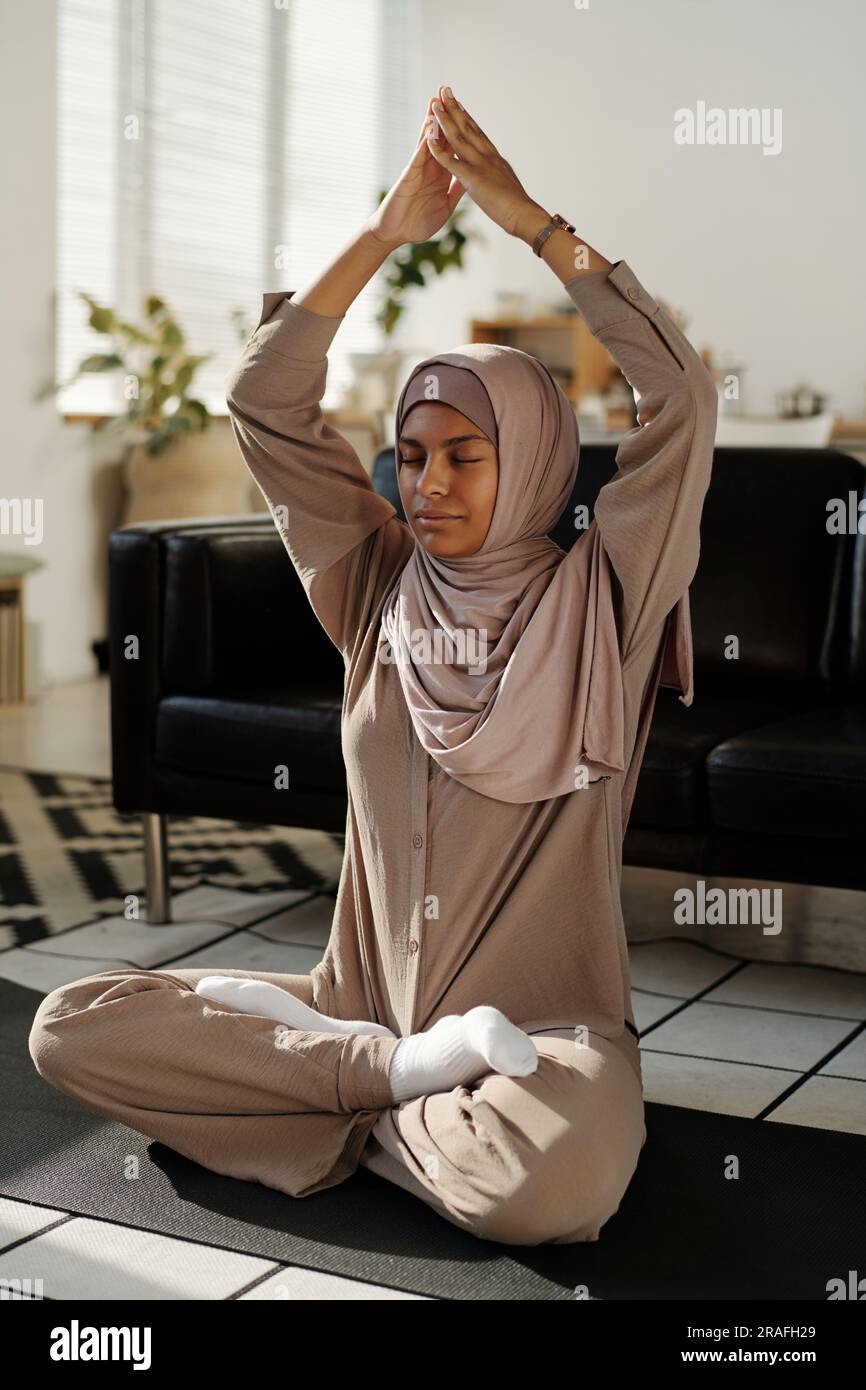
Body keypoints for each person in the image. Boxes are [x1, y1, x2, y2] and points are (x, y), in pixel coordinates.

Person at [28, 85, 718, 1247]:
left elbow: (681, 400)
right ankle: (397, 1071)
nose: (426, 482)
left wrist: (533, 224)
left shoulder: (608, 597)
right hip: (357, 1005)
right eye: (408, 455)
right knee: (69, 1024)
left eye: (463, 454)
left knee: (547, 1190)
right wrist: (383, 235)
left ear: (538, 462)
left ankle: (312, 1087)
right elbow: (262, 398)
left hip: (541, 1035)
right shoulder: (377, 584)